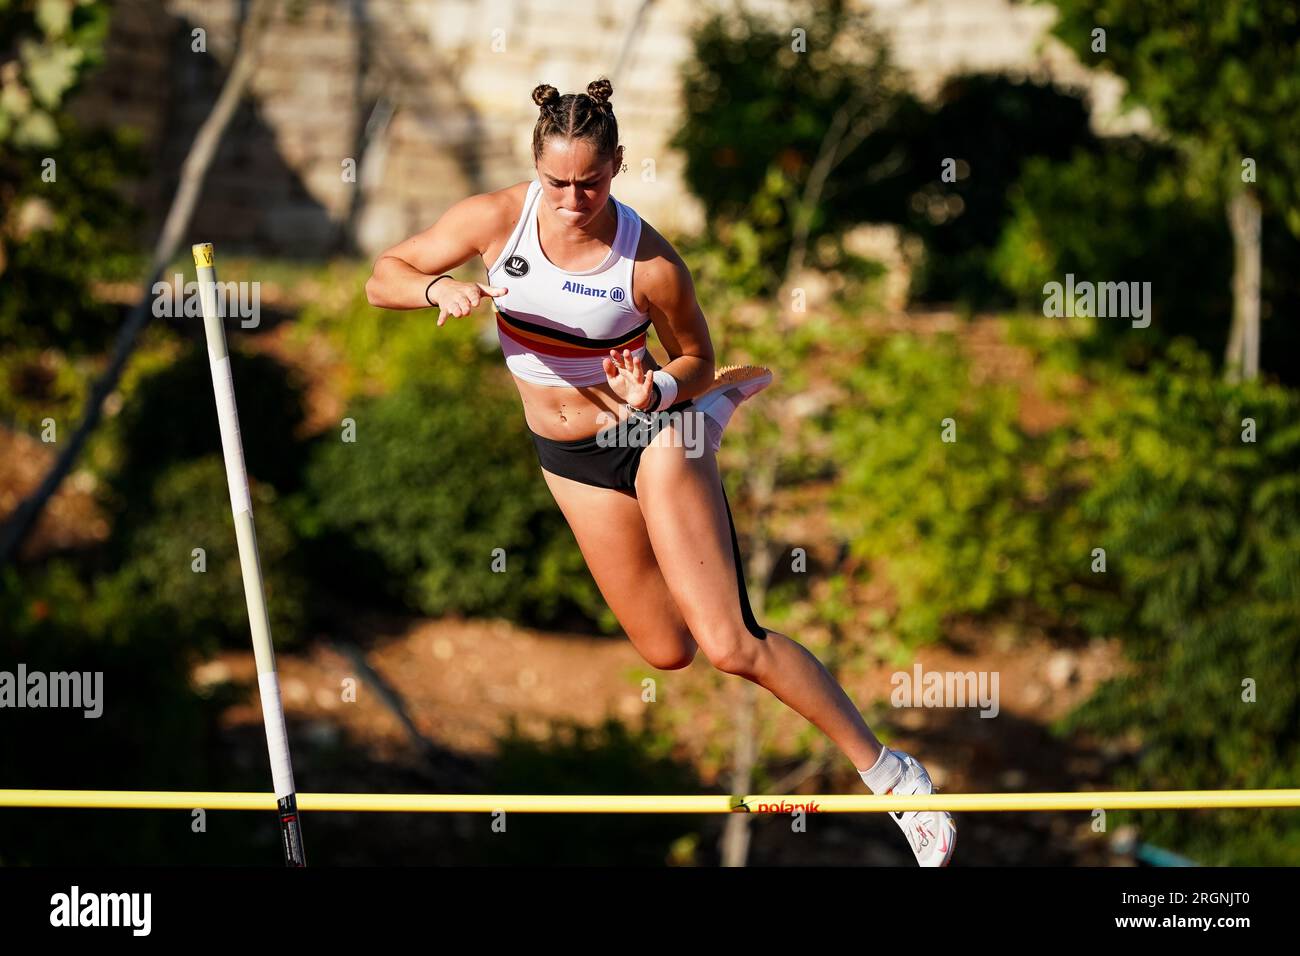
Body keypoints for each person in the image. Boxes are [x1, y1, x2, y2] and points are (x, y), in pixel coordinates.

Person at [364, 77, 956, 866]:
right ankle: (704, 424)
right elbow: (384, 274)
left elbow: (698, 355)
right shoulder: (495, 221)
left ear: (617, 166)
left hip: (649, 432)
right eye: (557, 182)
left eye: (591, 181)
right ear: (535, 168)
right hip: (567, 457)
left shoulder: (648, 262)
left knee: (730, 645)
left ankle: (894, 778)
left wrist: (666, 390)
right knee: (665, 651)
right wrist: (435, 286)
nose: (573, 199)